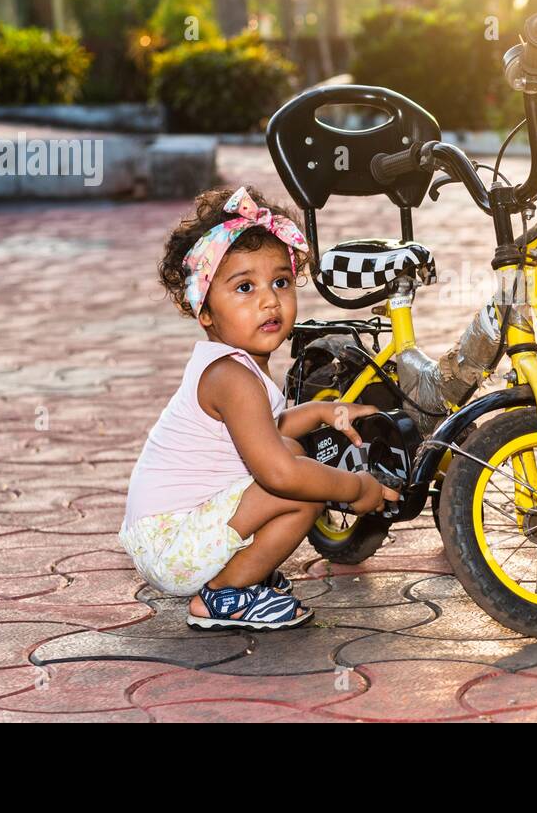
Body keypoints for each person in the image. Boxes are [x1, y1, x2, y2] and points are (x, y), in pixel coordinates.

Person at [119, 185, 399, 630]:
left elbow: (265, 430)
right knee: (297, 483)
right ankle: (224, 596)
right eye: (245, 287)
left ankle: (242, 574)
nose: (269, 300)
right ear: (205, 311)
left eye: (281, 282)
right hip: (172, 544)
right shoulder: (231, 377)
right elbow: (280, 475)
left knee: (288, 448)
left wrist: (323, 412)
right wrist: (355, 488)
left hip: (170, 535)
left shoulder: (233, 368)